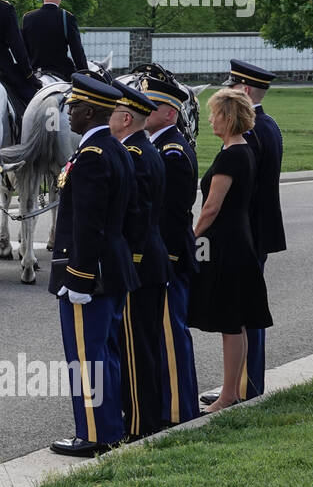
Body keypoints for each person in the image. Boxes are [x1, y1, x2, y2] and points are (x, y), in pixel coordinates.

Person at [48, 74, 138, 458]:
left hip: (91, 275)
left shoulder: (91, 157)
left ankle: (94, 434)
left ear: (88, 112)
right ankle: (111, 427)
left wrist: (80, 277)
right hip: (112, 269)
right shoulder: (114, 149)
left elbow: (87, 224)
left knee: (87, 357)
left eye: (73, 108)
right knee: (105, 352)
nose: (68, 113)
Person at [201, 60, 284, 405]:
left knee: (240, 315)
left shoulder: (248, 135)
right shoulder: (270, 126)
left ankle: (243, 387)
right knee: (246, 313)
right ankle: (241, 385)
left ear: (245, 92)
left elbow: (231, 197)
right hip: (255, 232)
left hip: (243, 234)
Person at [189, 88, 273, 412]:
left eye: (214, 113)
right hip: (239, 239)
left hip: (227, 243)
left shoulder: (232, 154)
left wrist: (193, 237)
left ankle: (227, 395)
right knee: (237, 321)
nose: (210, 119)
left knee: (230, 320)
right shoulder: (243, 150)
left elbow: (211, 208)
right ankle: (234, 390)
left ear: (228, 117)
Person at [109, 81, 167, 440]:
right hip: (149, 261)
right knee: (143, 344)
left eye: (113, 111)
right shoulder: (144, 149)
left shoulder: (134, 155)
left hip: (140, 264)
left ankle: (139, 426)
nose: (109, 118)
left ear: (126, 117)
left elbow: (138, 218)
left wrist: (128, 263)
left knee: (134, 347)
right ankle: (148, 417)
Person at [141, 75, 200, 425]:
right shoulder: (159, 145)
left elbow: (175, 213)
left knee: (171, 333)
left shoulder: (172, 150)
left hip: (169, 256)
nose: (144, 111)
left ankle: (179, 410)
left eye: (152, 106)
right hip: (162, 256)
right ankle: (168, 404)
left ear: (169, 114)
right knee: (161, 333)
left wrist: (168, 257)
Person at [22, 0, 88, 78]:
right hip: (62, 74)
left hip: (35, 74)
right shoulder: (66, 17)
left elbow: (24, 50)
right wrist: (85, 74)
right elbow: (77, 52)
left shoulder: (28, 17)